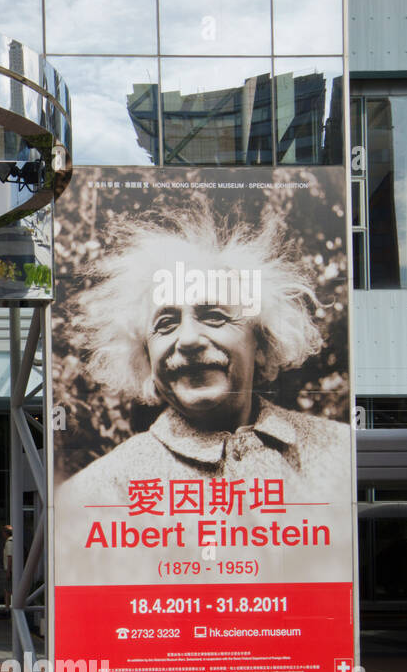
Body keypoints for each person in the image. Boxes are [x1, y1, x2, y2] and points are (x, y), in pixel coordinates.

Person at [58, 207, 348, 505]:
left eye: (213, 316)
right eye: (166, 323)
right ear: (144, 357)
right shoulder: (96, 494)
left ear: (261, 344)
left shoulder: (342, 453)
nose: (188, 340)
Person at [2, 525, 14, 607]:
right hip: (12, 570)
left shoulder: (9, 542)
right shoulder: (12, 541)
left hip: (10, 570)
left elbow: (10, 557)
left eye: (3, 532)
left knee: (7, 590)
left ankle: (7, 608)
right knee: (9, 589)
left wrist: (8, 571)